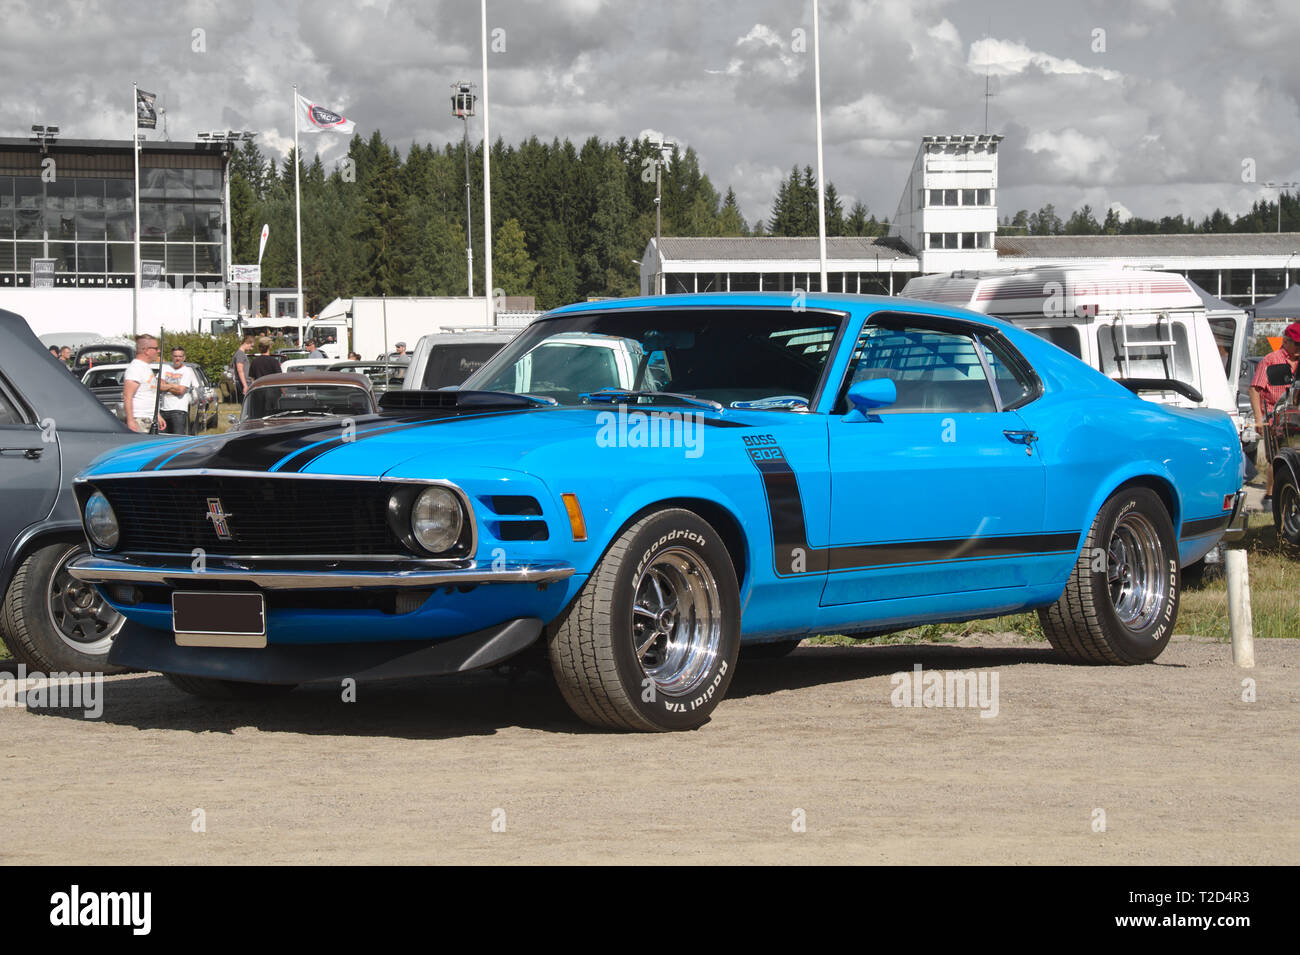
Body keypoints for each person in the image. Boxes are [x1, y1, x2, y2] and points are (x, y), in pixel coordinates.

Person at [1250, 321, 1300, 507]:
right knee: (1278, 458)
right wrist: (1258, 419)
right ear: (1285, 341)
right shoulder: (1271, 360)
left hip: (1296, 417)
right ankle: (1273, 498)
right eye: (1297, 343)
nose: (1298, 348)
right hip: (1275, 417)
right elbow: (1255, 390)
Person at [122, 335, 166, 434]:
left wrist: (157, 415)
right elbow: (127, 396)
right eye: (155, 348)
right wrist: (131, 421)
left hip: (149, 419)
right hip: (140, 420)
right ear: (146, 350)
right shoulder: (136, 368)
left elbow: (149, 394)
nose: (158, 351)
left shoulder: (145, 367)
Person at [160, 346, 200, 436]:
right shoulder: (165, 368)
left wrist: (166, 384)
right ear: (172, 357)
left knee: (177, 438)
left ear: (184, 358)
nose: (177, 358)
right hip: (163, 410)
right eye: (175, 356)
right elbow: (159, 387)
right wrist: (174, 385)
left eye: (180, 356)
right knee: (161, 439)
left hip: (179, 411)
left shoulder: (187, 371)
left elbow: (181, 391)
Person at [231, 335, 254, 401]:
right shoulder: (240, 354)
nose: (251, 349)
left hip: (245, 382)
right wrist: (245, 386)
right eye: (251, 346)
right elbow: (240, 370)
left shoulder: (240, 354)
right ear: (246, 343)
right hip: (245, 382)